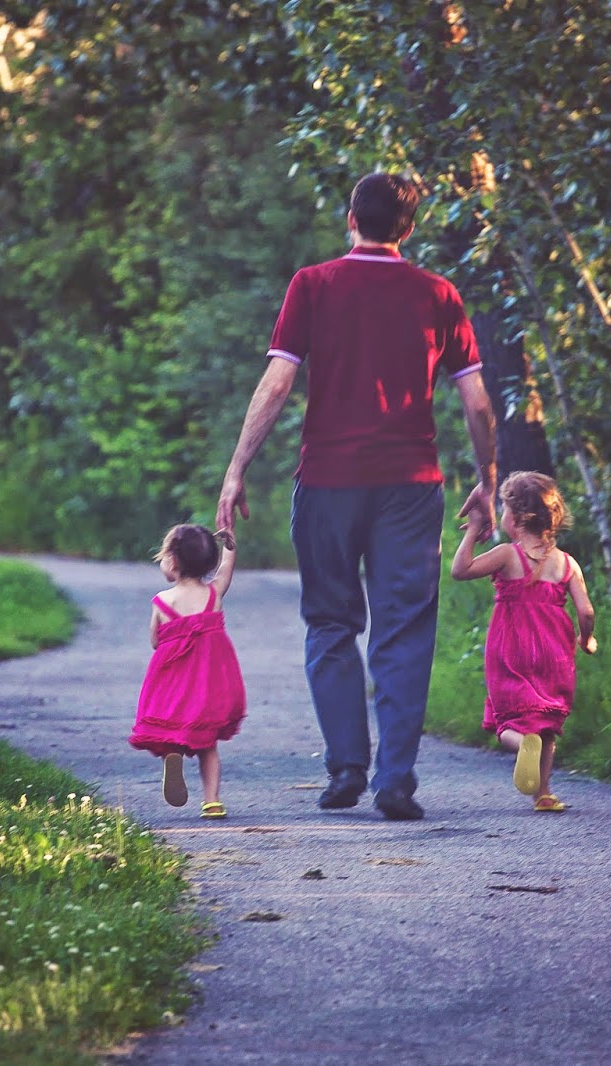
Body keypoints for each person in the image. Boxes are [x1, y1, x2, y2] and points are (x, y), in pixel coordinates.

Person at [215, 172, 497, 821]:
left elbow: (278, 383)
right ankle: (394, 780)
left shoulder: (313, 285)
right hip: (410, 487)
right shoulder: (438, 294)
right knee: (403, 629)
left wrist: (237, 469)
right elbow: (477, 401)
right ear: (410, 227)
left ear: (350, 218)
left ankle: (347, 766)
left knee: (331, 622)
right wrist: (486, 479)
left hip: (328, 484)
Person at [450, 471, 597, 811]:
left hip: (510, 648)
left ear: (514, 518)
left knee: (507, 721)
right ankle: (543, 794)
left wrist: (473, 528)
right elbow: (586, 611)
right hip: (555, 650)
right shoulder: (567, 564)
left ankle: (521, 743)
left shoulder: (507, 555)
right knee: (546, 721)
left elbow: (460, 570)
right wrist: (585, 639)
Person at [129, 523, 247, 819]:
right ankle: (212, 801)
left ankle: (174, 757)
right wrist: (229, 546)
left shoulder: (162, 602)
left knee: (175, 732)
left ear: (172, 561)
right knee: (208, 745)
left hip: (174, 686)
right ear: (208, 563)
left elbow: (156, 641)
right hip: (208, 685)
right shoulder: (213, 594)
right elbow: (226, 570)